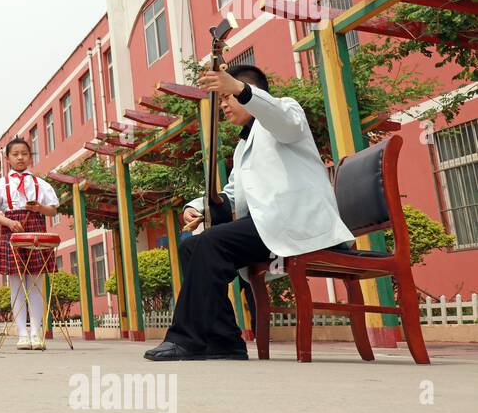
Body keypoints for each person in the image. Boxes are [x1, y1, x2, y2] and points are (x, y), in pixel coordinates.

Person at [145, 64, 355, 362]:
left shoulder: (286, 112)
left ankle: (186, 339)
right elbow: (231, 196)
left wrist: (240, 90)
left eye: (227, 99)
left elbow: (283, 122)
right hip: (268, 227)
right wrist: (197, 207)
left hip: (298, 222)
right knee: (191, 244)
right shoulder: (242, 148)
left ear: (245, 90)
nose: (225, 107)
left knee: (210, 242)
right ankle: (224, 341)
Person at [0, 137, 60, 350]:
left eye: (24, 154)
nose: (20, 157)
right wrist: (8, 221)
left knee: (35, 284)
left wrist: (39, 209)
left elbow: (53, 209)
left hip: (36, 228)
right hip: (12, 231)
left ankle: (37, 332)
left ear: (30, 156)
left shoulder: (40, 184)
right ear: (7, 158)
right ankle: (22, 334)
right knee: (16, 284)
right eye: (15, 154)